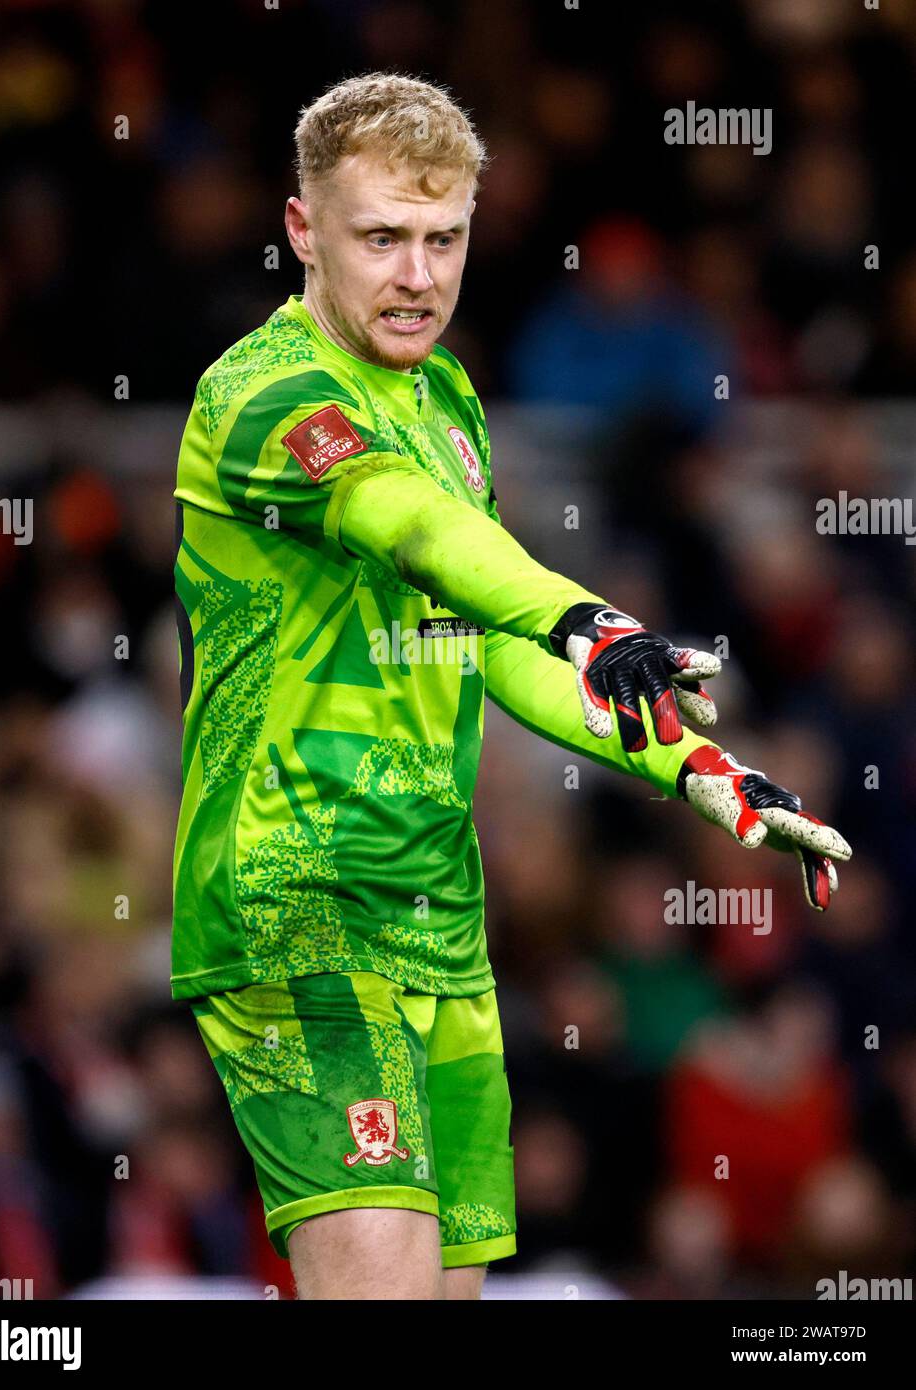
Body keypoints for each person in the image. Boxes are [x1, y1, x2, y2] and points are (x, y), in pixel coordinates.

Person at [171, 73, 850, 1300]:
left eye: (444, 239)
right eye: (380, 237)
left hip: (440, 922)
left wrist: (692, 767)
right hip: (299, 908)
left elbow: (475, 640)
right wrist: (586, 615)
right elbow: (417, 529)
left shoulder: (447, 401)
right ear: (300, 229)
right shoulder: (258, 396)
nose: (417, 276)